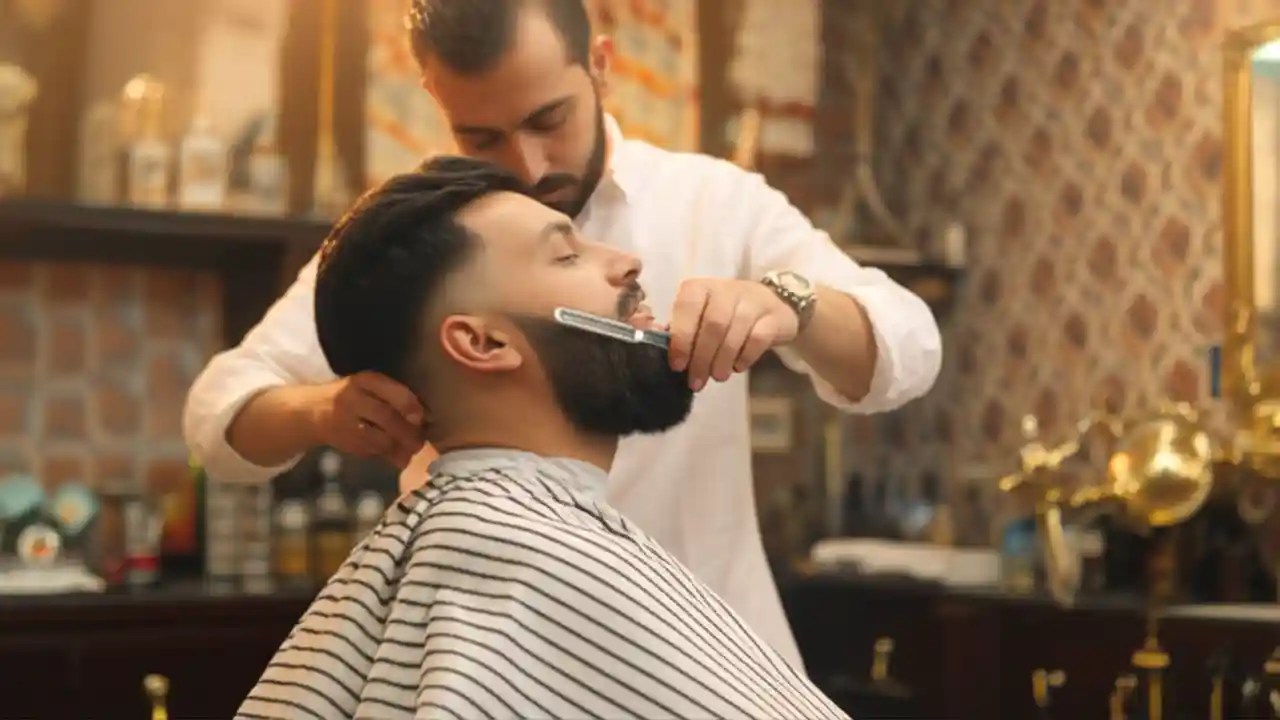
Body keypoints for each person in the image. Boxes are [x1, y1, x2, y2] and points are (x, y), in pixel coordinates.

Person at [185, 0, 942, 669]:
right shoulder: (424, 241)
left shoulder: (713, 201)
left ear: (600, 68)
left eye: (549, 119)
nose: (528, 165)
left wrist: (792, 303)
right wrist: (321, 410)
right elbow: (218, 418)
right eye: (480, 135)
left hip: (713, 649)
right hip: (505, 654)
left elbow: (909, 348)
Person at [236, 157, 849, 720]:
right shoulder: (524, 557)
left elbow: (903, 342)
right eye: (567, 257)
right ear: (482, 343)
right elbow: (222, 403)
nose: (626, 261)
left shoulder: (471, 544)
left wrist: (791, 303)